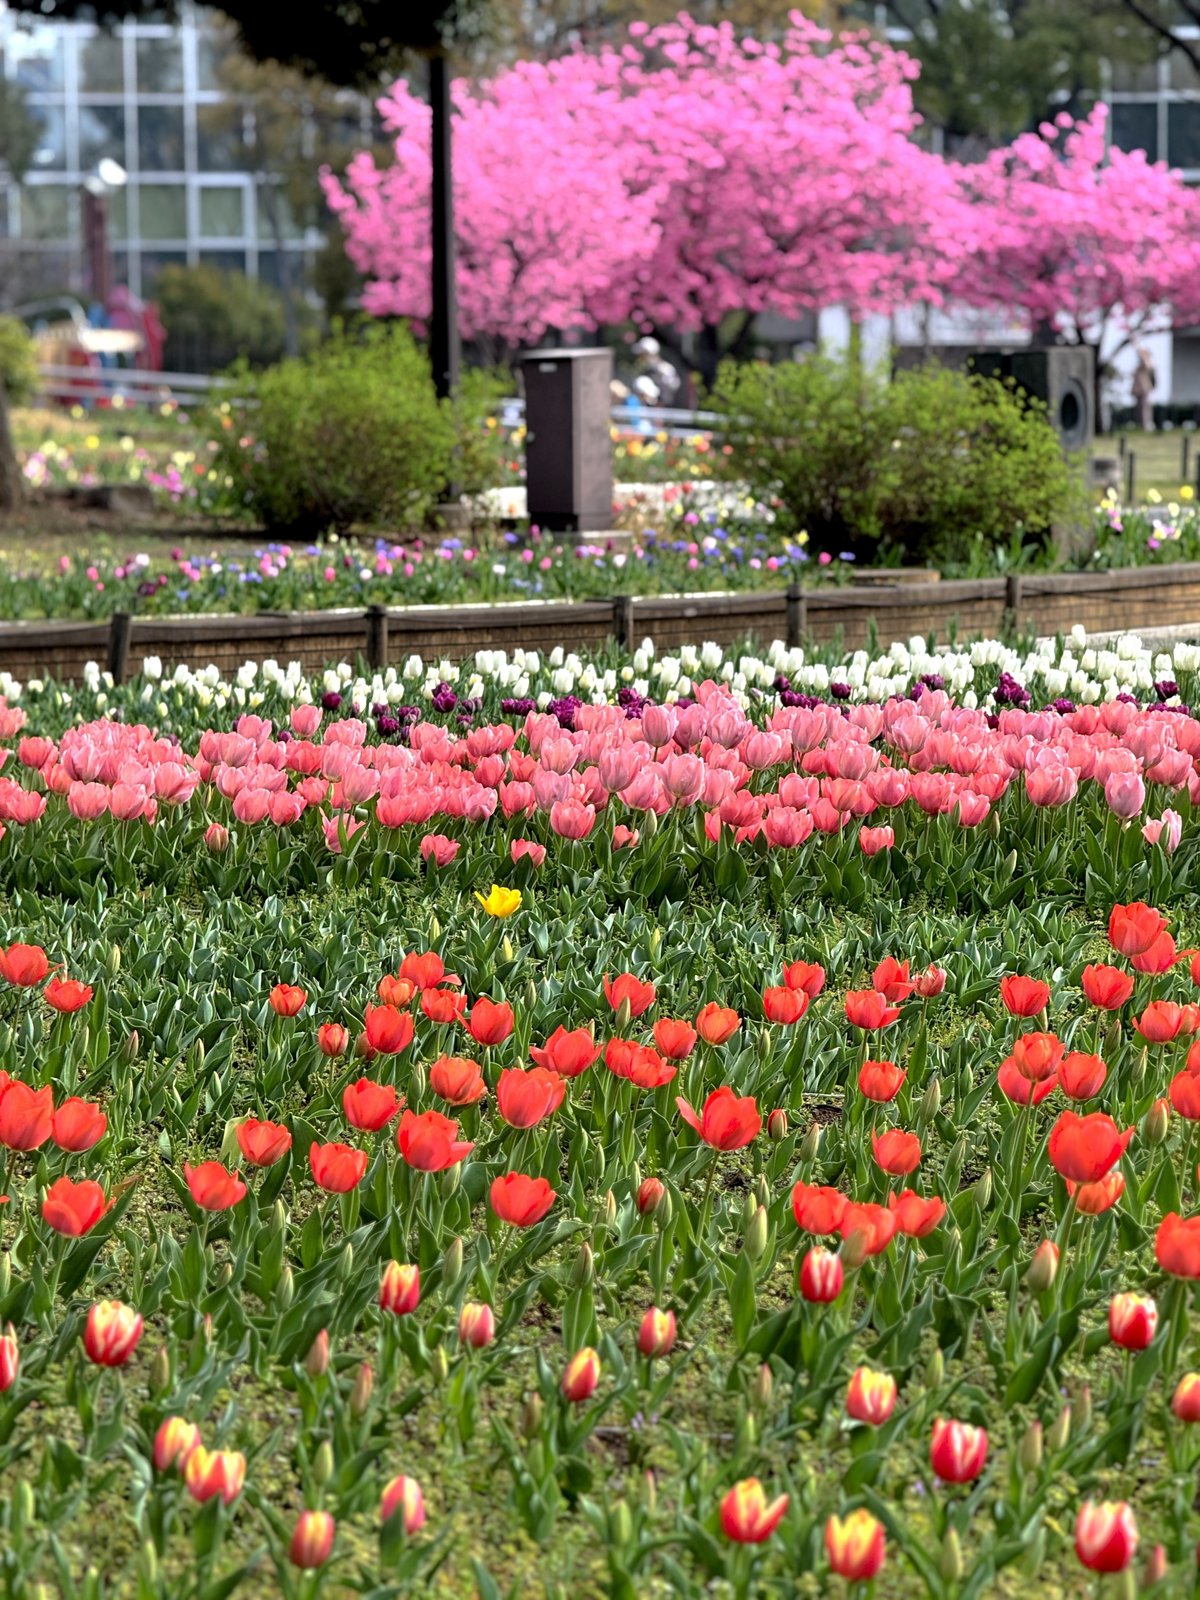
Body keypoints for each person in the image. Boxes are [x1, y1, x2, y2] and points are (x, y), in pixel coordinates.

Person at [1132, 346, 1156, 432]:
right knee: (1139, 409)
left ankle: (1146, 425)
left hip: (1144, 389)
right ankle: (1140, 425)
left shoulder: (1148, 362)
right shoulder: (1139, 366)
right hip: (1138, 390)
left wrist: (1140, 350)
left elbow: (1146, 365)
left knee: (1144, 409)